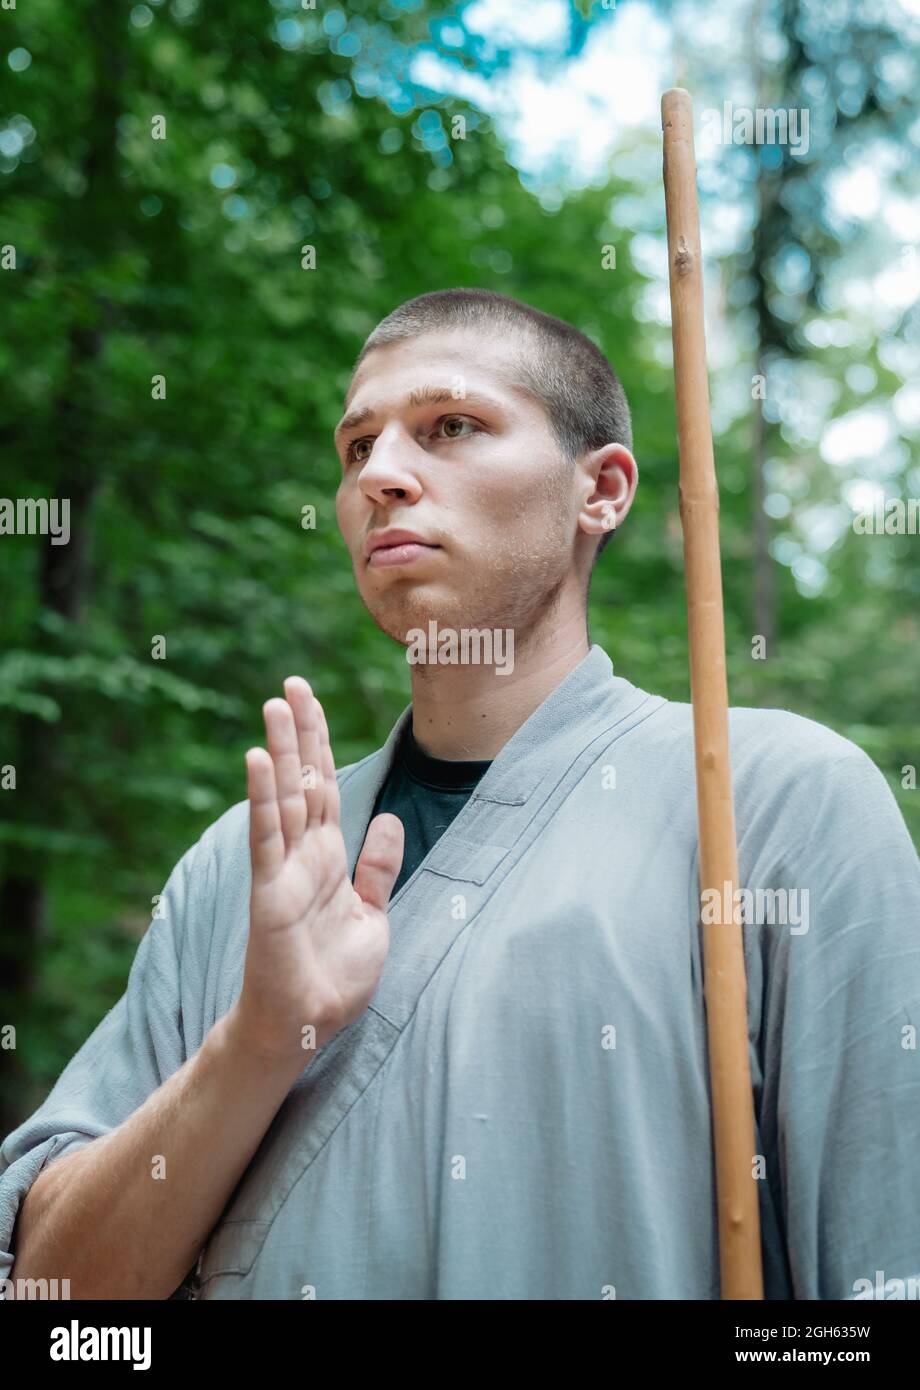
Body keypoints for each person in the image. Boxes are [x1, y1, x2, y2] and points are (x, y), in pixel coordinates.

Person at [2, 288, 918, 1301]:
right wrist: (257, 1043)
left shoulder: (770, 808)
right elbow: (55, 1294)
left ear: (599, 489)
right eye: (356, 450)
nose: (381, 475)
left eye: (450, 427)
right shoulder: (242, 865)